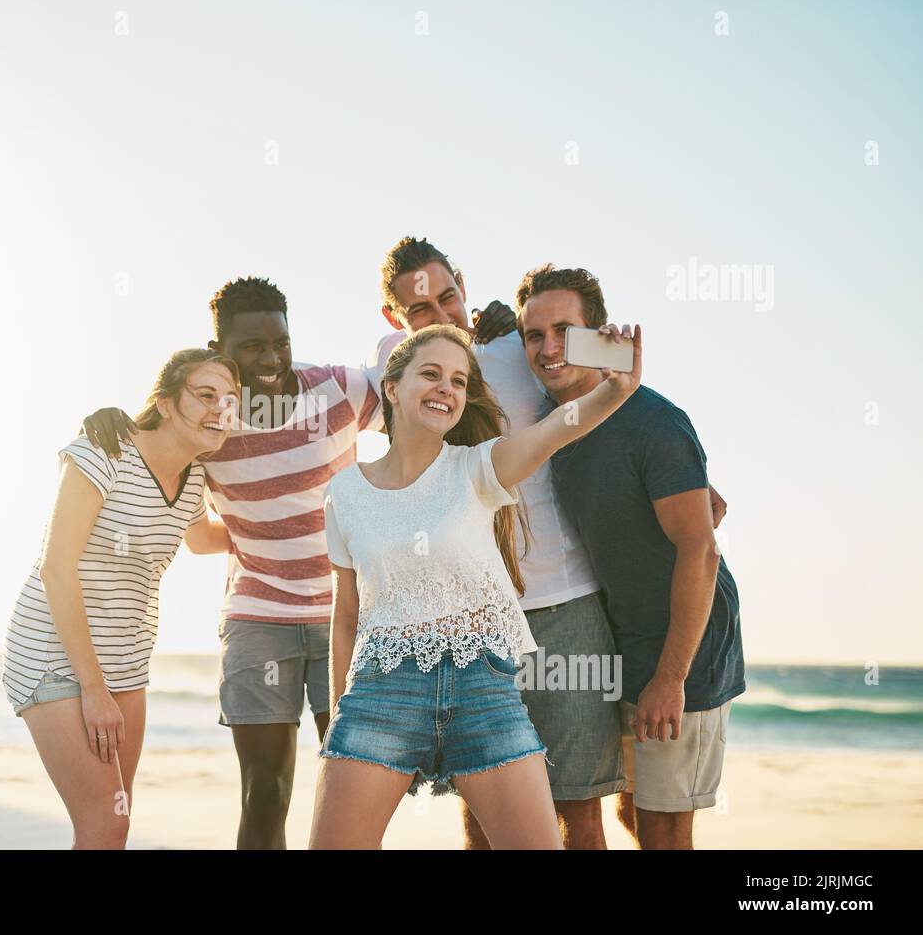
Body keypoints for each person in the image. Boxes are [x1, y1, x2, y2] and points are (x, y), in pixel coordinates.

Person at [365, 236, 727, 849]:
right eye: (422, 310)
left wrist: (689, 476)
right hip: (473, 620)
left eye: (451, 297)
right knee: (482, 804)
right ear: (396, 320)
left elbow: (602, 377)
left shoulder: (521, 347)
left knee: (581, 803)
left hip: (572, 606)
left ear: (464, 285)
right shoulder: (397, 372)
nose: (444, 316)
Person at [309, 321, 641, 849]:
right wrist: (337, 718)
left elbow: (558, 427)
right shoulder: (345, 493)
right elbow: (345, 612)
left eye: (459, 381)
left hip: (482, 687)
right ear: (392, 388)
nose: (447, 388)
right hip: (380, 691)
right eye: (432, 374)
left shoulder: (477, 468)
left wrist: (614, 390)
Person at [79, 276, 383, 849]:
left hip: (346, 616)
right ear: (220, 351)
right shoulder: (208, 423)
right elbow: (158, 461)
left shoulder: (340, 391)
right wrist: (102, 416)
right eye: (252, 347)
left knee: (352, 781)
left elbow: (425, 407)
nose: (271, 360)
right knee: (264, 790)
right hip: (257, 619)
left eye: (280, 343)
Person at [515, 263, 745, 850]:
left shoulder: (653, 421)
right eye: (533, 335)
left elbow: (701, 549)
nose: (547, 349)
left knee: (665, 831)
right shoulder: (554, 424)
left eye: (566, 331)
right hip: (617, 643)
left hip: (683, 647)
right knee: (630, 815)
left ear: (599, 334)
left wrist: (671, 679)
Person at [2, 348, 239, 849]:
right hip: (55, 655)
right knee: (105, 825)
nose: (221, 408)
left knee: (115, 820)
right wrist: (93, 688)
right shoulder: (103, 450)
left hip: (126, 661)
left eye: (230, 400)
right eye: (205, 395)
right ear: (168, 403)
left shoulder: (195, 478)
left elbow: (202, 540)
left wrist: (291, 527)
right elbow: (55, 567)